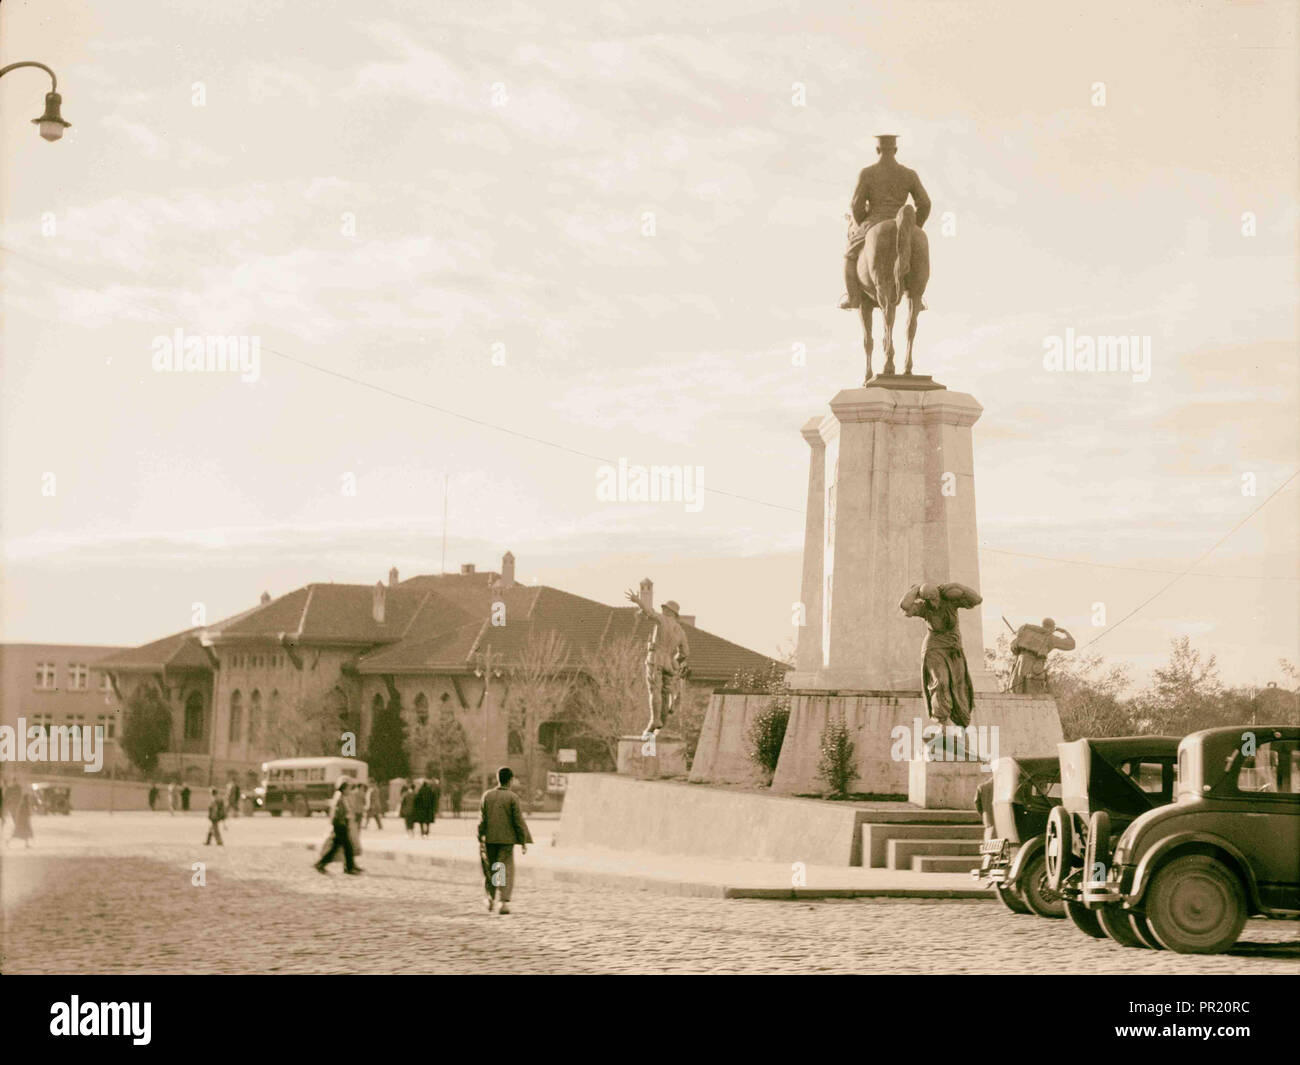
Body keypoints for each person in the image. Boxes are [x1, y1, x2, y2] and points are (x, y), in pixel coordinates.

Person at [840, 134, 931, 310]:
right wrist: (912, 228)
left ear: (877, 150)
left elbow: (855, 204)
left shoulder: (867, 173)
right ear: (895, 150)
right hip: (902, 221)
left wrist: (861, 221)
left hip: (874, 220)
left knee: (850, 256)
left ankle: (853, 298)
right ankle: (917, 299)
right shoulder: (909, 174)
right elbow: (925, 204)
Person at [899, 581, 982, 727]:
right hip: (934, 648)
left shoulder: (951, 601)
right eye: (929, 600)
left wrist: (959, 586)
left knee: (959, 685)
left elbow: (977, 599)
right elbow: (905, 606)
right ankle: (942, 721)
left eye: (934, 598)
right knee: (940, 682)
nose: (933, 603)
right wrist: (916, 589)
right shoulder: (925, 608)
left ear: (939, 594)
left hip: (954, 649)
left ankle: (960, 722)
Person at [625, 587, 691, 735]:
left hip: (656, 657)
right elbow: (685, 652)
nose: (663, 610)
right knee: (665, 692)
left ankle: (655, 719)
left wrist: (638, 600)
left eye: (665, 608)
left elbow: (649, 612)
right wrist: (675, 661)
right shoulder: (681, 631)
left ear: (669, 611)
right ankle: (662, 724)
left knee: (654, 689)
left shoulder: (663, 620)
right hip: (669, 661)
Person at [477, 766, 533, 915]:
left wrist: (480, 836)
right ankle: (503, 902)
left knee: (492, 868)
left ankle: (490, 897)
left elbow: (482, 820)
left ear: (498, 779)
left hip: (489, 840)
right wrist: (523, 841)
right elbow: (518, 821)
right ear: (511, 780)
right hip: (506, 841)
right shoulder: (512, 797)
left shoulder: (487, 796)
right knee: (504, 868)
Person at [1008, 618, 1076, 694]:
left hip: (1019, 663)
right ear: (1052, 628)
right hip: (1033, 666)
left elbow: (1013, 647)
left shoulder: (1027, 631)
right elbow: (1071, 644)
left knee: (1017, 689)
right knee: (1032, 692)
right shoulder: (1050, 637)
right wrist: (1065, 632)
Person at [315, 780, 362, 875]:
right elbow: (337, 811)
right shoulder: (339, 797)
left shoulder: (342, 796)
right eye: (348, 788)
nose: (349, 790)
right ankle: (349, 868)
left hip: (341, 824)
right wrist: (342, 820)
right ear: (344, 789)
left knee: (337, 847)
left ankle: (321, 864)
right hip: (340, 825)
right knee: (347, 847)